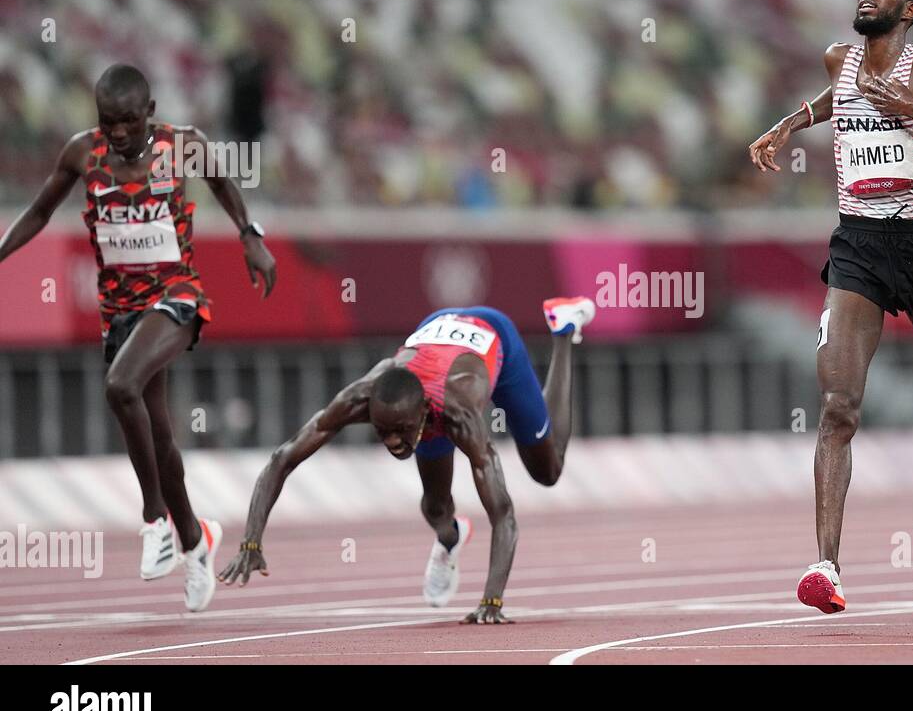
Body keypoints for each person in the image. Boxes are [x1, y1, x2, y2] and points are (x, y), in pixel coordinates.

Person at [0, 64, 276, 612]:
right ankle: (196, 541)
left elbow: (223, 184)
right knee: (160, 438)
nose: (119, 133)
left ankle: (154, 522)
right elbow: (38, 211)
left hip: (176, 294)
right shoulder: (83, 153)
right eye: (108, 123)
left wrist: (250, 236)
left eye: (128, 121)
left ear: (149, 112)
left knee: (120, 386)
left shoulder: (184, 145)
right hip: (119, 307)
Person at [747, 0, 913, 613]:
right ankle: (827, 565)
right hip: (858, 246)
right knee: (839, 406)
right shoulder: (835, 58)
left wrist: (905, 105)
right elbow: (835, 98)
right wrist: (789, 123)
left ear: (908, 9)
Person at [217, 298, 595, 625]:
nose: (392, 441)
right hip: (434, 334)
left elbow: (504, 514)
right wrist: (251, 541)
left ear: (423, 415)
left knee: (548, 471)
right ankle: (451, 538)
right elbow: (282, 459)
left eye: (400, 430)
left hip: (496, 342)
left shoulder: (458, 414)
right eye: (382, 430)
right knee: (435, 506)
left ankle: (562, 330)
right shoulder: (360, 398)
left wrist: (491, 602)